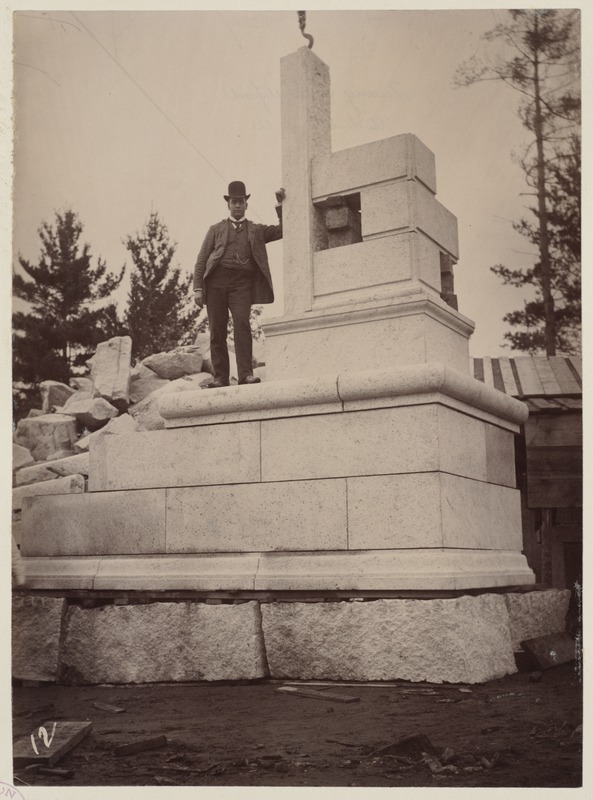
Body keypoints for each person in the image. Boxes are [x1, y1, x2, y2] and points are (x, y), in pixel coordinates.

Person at [193, 181, 284, 388]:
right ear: (228, 204)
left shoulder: (256, 230)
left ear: (246, 204)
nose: (237, 205)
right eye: (233, 202)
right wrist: (198, 287)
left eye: (240, 202)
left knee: (242, 324)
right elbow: (202, 259)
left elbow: (283, 230)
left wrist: (281, 206)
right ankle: (220, 378)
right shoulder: (215, 229)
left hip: (242, 285)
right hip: (216, 283)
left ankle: (245, 375)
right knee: (217, 330)